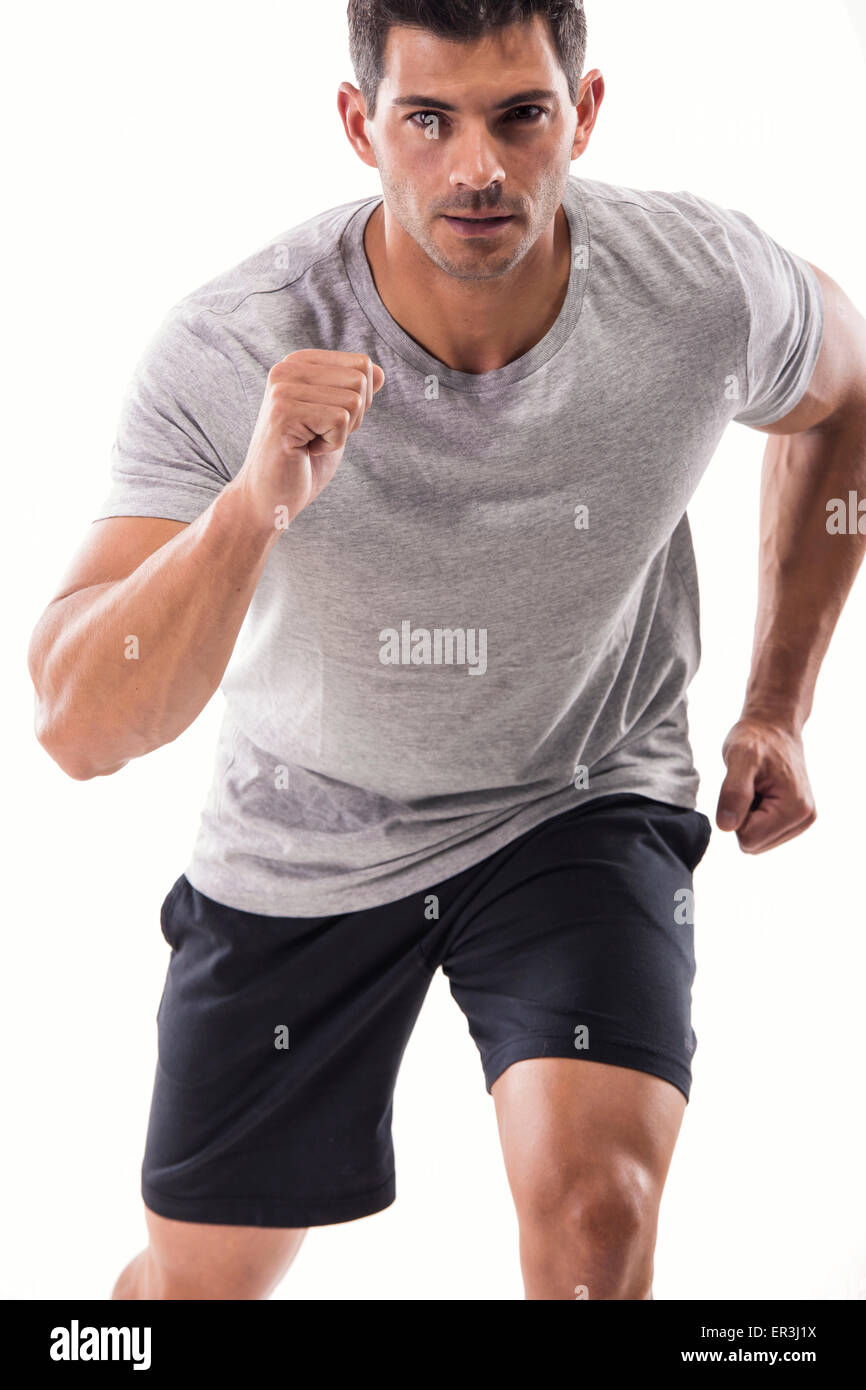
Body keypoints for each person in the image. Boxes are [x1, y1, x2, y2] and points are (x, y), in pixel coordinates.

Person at [26, 0, 866, 1300]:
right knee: (195, 1289)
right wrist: (251, 506)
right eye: (429, 119)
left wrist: (779, 702)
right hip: (306, 832)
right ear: (363, 124)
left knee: (598, 1222)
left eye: (517, 116)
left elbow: (846, 394)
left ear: (579, 115)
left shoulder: (699, 282)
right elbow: (79, 725)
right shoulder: (233, 341)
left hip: (576, 798)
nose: (475, 166)